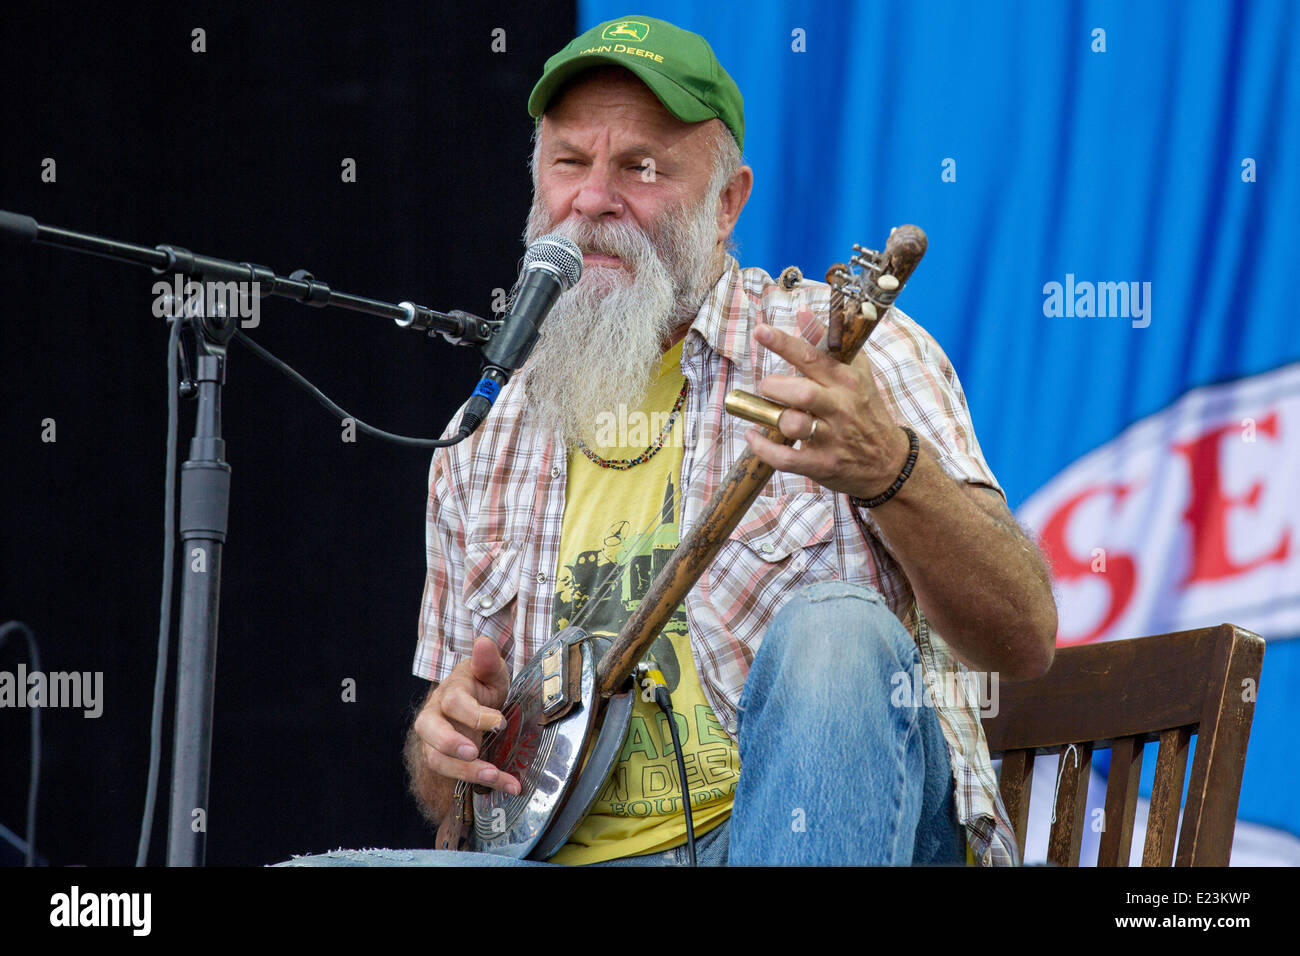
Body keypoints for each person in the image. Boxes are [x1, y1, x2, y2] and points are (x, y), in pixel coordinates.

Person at [282, 15, 1056, 868]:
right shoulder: (483, 432)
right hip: (554, 856)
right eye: (569, 163)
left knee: (835, 631)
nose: (593, 199)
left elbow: (1022, 638)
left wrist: (889, 469)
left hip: (784, 842)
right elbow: (452, 795)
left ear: (727, 203)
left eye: (640, 167)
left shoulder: (843, 352)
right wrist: (446, 741)